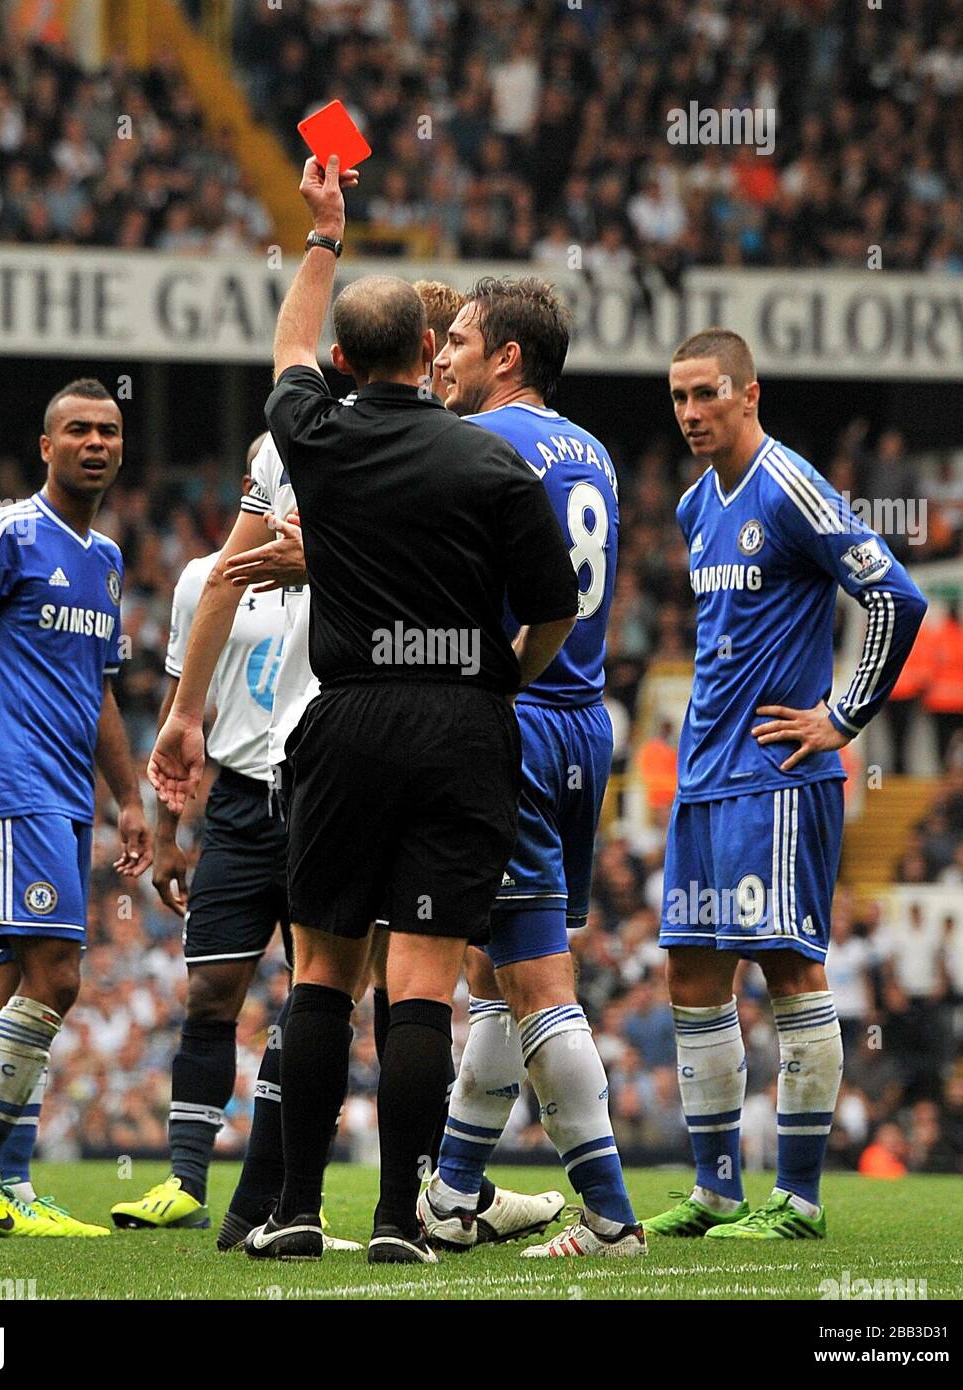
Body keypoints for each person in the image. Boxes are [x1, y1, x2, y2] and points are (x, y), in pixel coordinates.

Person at [151, 156, 580, 1263]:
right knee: (424, 987)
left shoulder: (318, 437)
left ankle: (296, 1210)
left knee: (320, 977)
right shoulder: (493, 466)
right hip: (460, 723)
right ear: (432, 355)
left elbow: (289, 350)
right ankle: (400, 1220)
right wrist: (502, 681)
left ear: (351, 360)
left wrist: (325, 234)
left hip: (344, 722)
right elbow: (555, 609)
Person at [647, 329, 926, 1240]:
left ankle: (799, 1198)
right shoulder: (695, 507)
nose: (691, 413)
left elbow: (896, 595)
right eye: (679, 397)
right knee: (692, 971)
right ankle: (717, 1188)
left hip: (778, 774)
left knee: (788, 966)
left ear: (749, 393)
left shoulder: (791, 484)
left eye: (706, 395)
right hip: (702, 773)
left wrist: (841, 717)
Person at [416, 277, 645, 1259]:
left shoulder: (482, 446)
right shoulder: (591, 450)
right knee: (505, 965)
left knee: (538, 977)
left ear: (507, 357)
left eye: (459, 342)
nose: (443, 358)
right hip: (584, 724)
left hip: (512, 718)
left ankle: (609, 1216)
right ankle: (456, 1188)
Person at [0, 378, 153, 1237]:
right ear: (46, 445)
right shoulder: (3, 533)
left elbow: (101, 691)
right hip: (11, 778)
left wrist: (129, 797)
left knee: (21, 983)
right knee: (56, 978)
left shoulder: (108, 558)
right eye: (79, 430)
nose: (96, 443)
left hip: (66, 793)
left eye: (110, 431)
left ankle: (4, 1188)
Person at [108, 435, 294, 1231]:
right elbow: (179, 715)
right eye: (260, 471)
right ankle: (185, 1183)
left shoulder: (355, 557)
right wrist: (168, 830)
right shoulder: (201, 581)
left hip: (329, 800)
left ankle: (293, 1185)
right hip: (241, 807)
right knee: (211, 992)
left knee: (323, 993)